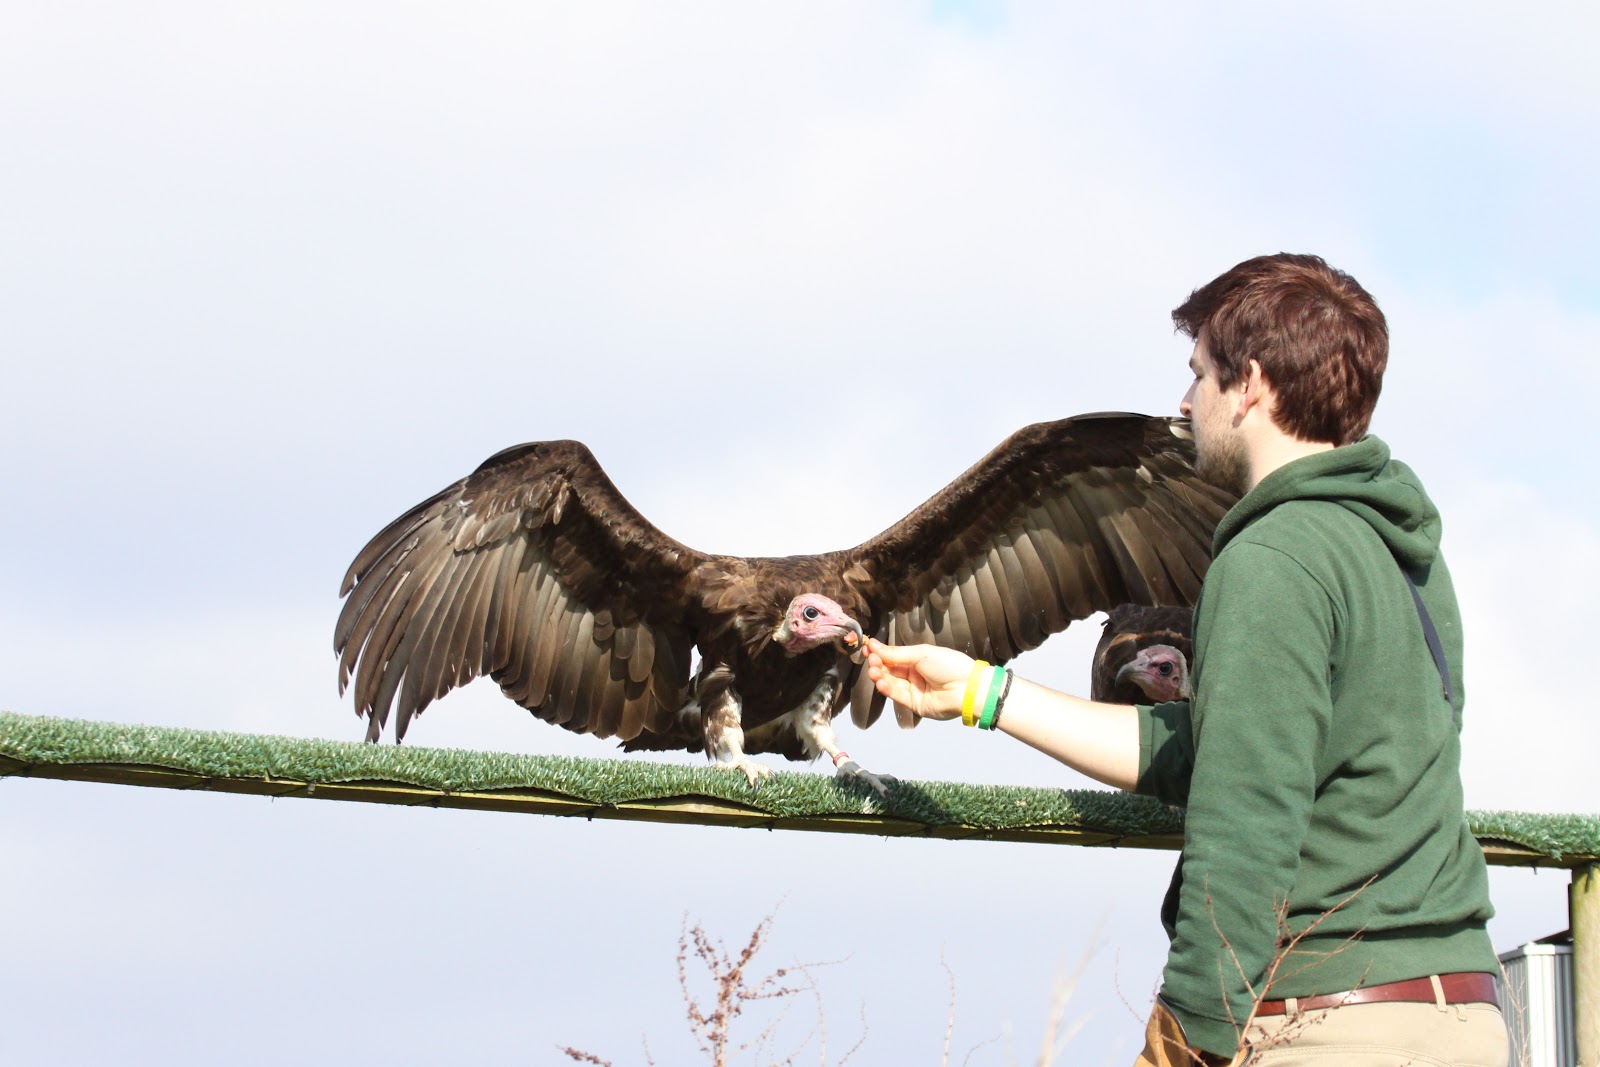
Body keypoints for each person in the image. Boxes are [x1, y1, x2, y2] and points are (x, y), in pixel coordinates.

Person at [866, 254, 1507, 1067]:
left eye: (1199, 373)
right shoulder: (1400, 550)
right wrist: (985, 693)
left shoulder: (1275, 554)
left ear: (1252, 387)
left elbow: (1247, 822)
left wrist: (1181, 1045)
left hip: (1330, 1026)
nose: (1185, 399)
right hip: (1459, 1017)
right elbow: (1223, 749)